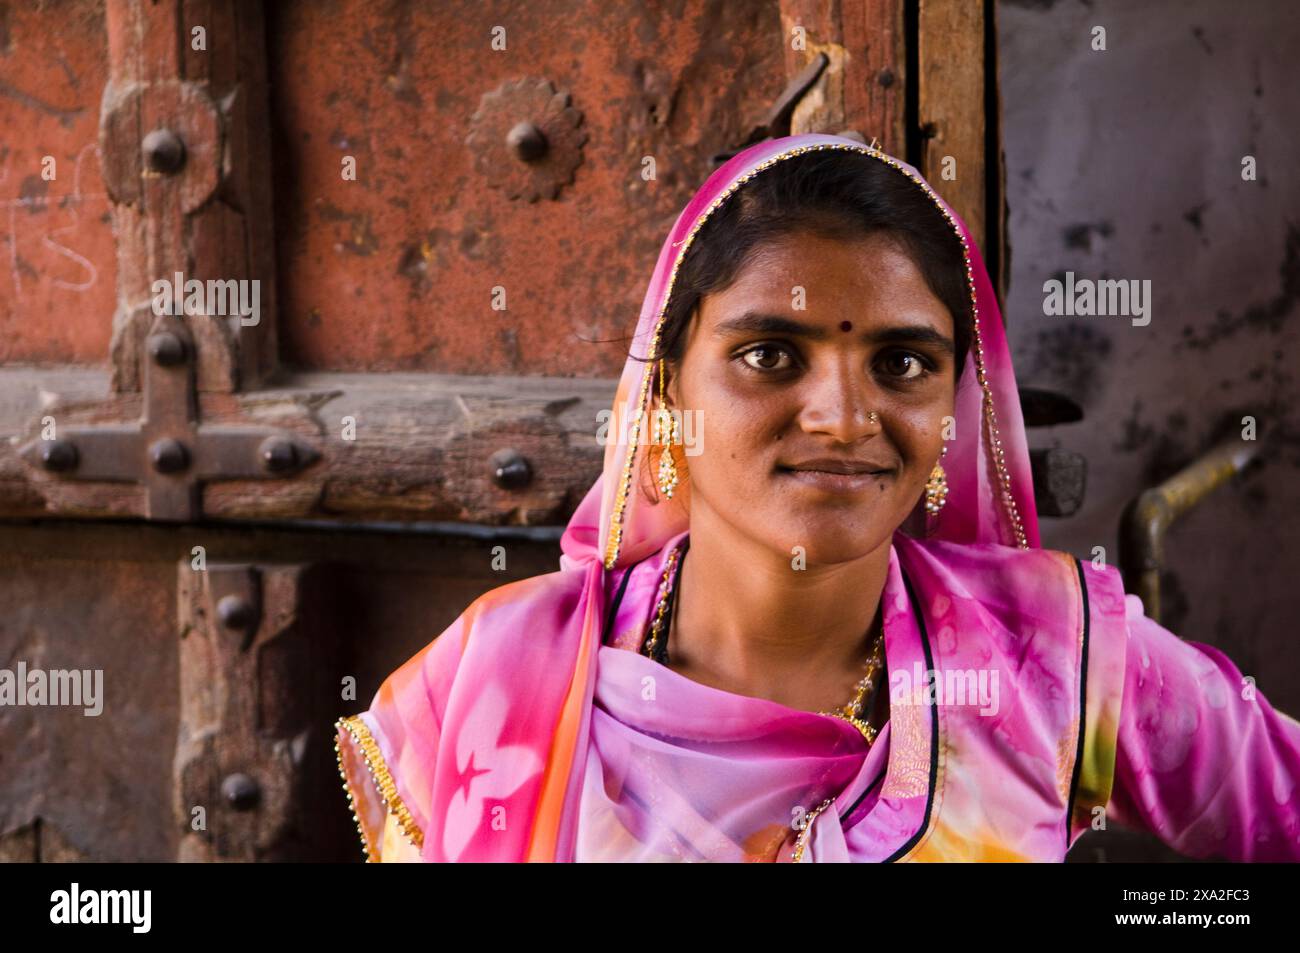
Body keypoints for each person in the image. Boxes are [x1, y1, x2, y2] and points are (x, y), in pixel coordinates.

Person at [334, 133, 1300, 862]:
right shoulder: (497, 674)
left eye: (902, 361)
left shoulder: (1052, 652)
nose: (843, 416)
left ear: (954, 399)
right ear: (667, 387)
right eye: (769, 355)